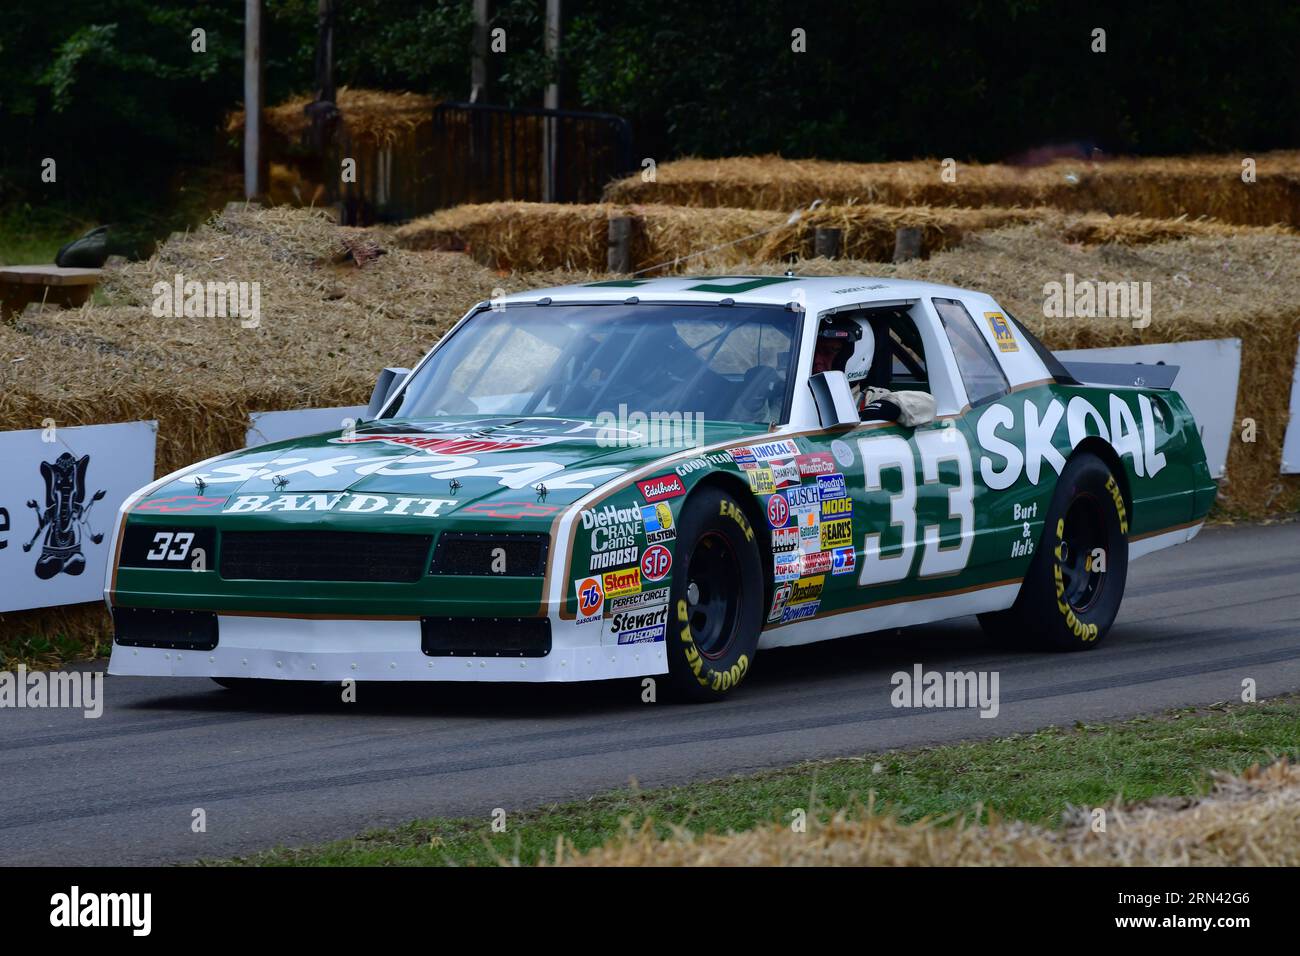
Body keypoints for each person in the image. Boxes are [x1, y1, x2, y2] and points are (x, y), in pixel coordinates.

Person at [812, 316, 935, 425]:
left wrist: (889, 407)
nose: (816, 360)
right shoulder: (798, 394)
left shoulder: (869, 398)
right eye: (813, 352)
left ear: (855, 355)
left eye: (829, 351)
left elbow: (928, 405)